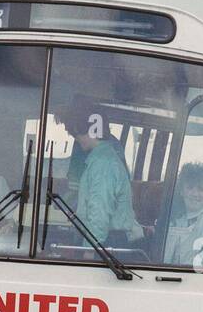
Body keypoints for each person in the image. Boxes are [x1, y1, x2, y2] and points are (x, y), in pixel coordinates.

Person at [58, 104, 145, 246]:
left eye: (77, 133)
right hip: (105, 240)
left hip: (105, 243)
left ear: (90, 130)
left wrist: (89, 249)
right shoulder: (103, 158)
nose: (76, 138)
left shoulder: (102, 163)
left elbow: (100, 212)